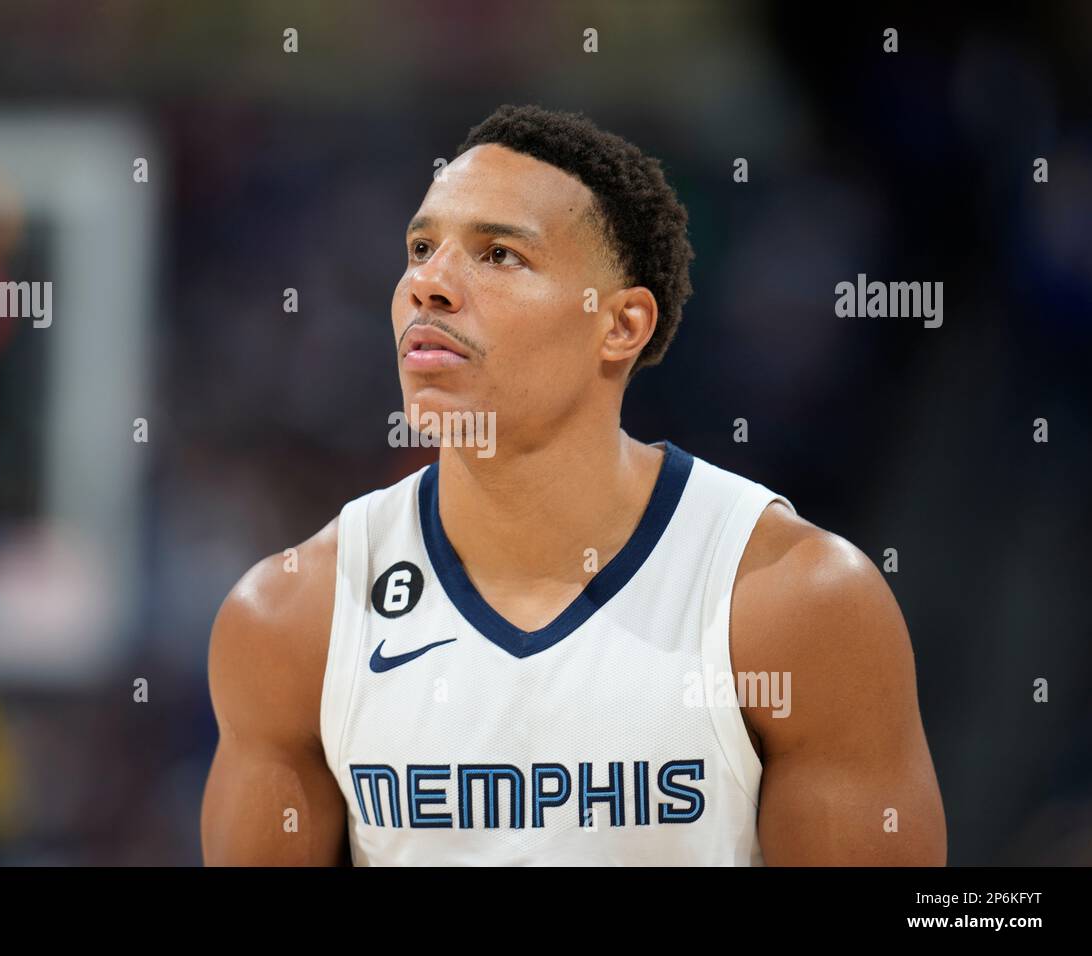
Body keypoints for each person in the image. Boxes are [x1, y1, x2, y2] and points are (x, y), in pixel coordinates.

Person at [201, 104, 947, 865]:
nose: (430, 284)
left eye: (498, 256)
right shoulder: (295, 617)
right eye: (422, 247)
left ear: (621, 325)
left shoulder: (796, 602)